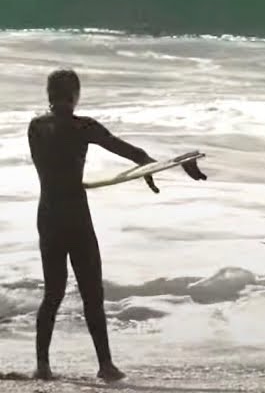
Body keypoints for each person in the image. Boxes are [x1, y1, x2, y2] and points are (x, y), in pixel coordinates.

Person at [28, 69, 207, 382]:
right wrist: (151, 166)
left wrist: (147, 166)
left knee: (53, 292)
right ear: (75, 95)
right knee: (91, 293)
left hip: (48, 216)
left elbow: (61, 149)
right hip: (75, 216)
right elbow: (126, 150)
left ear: (49, 94)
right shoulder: (84, 126)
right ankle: (105, 365)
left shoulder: (36, 127)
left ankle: (42, 365)